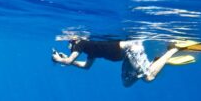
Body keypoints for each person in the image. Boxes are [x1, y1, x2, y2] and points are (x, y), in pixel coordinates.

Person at [51, 38, 181, 87]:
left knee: (148, 78)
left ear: (73, 41)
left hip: (132, 50)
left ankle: (174, 48)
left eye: (68, 43)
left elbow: (68, 60)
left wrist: (59, 59)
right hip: (128, 54)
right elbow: (86, 66)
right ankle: (154, 64)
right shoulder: (89, 49)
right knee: (127, 81)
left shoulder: (81, 44)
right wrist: (67, 60)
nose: (69, 47)